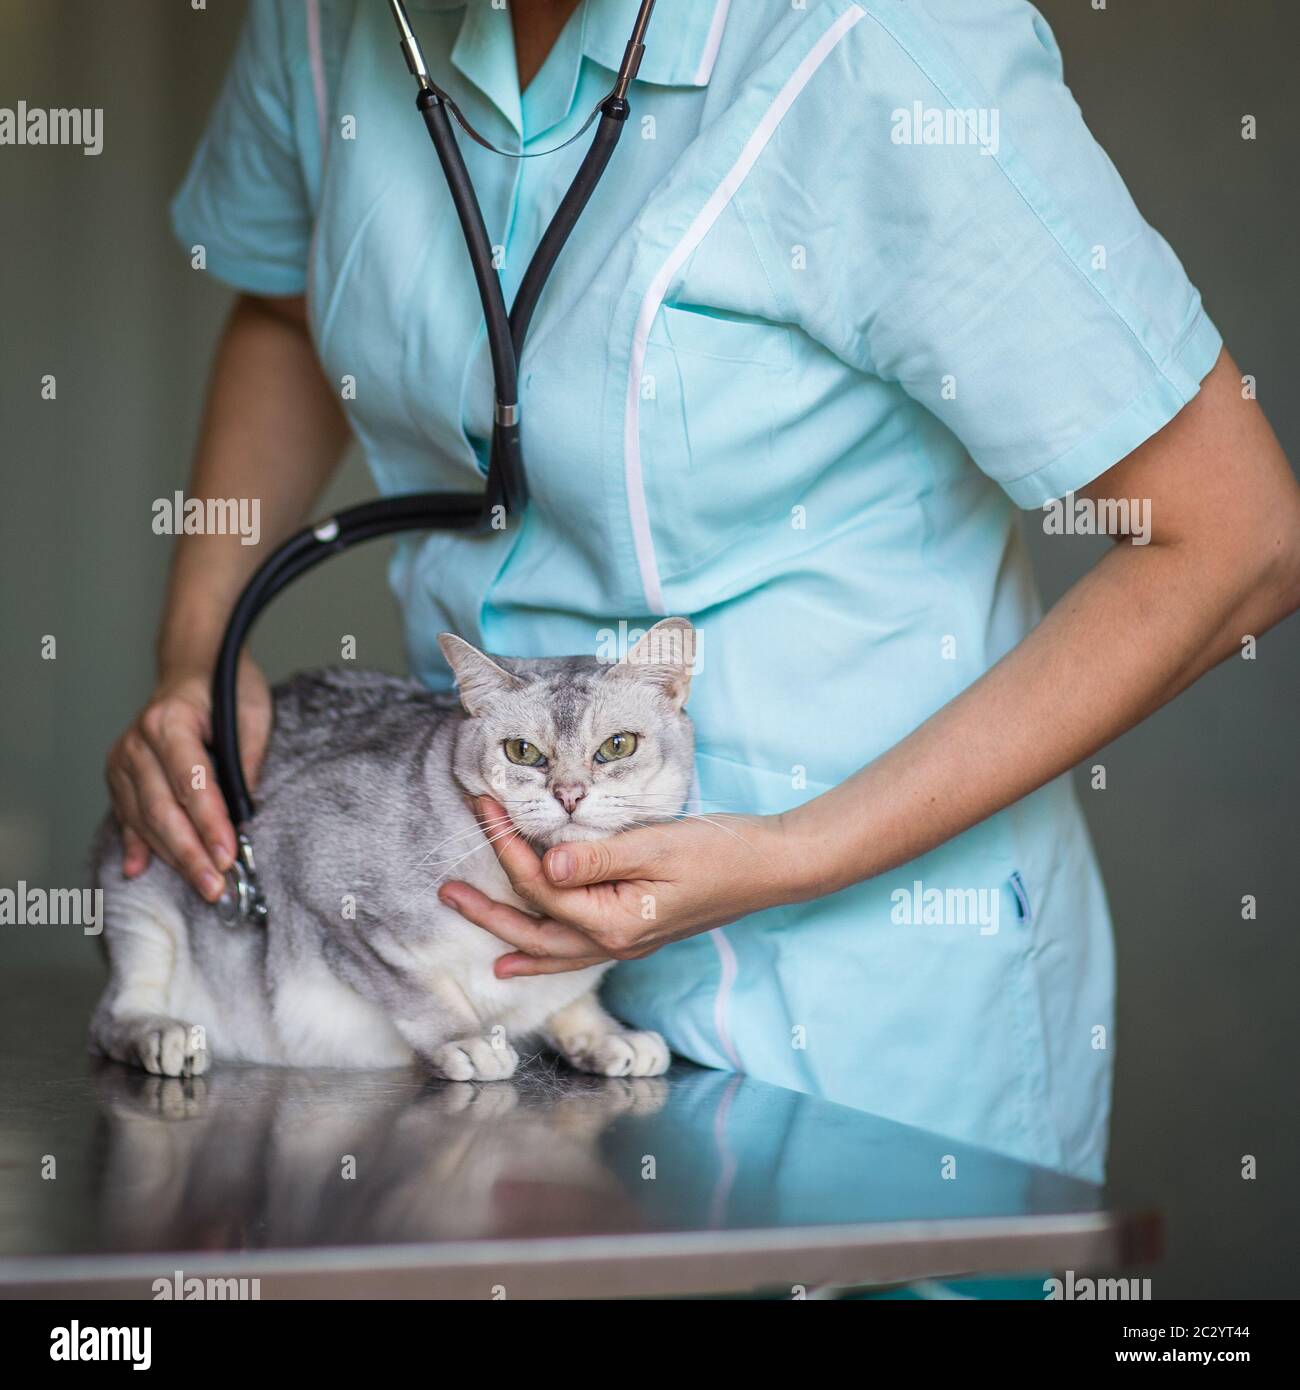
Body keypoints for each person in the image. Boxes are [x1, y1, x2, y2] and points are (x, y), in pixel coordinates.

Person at [107, 0, 1300, 1181]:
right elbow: (282, 305)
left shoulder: (882, 41)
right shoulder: (322, 24)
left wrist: (792, 852)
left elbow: (1236, 536)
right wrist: (197, 653)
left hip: (850, 1026)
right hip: (479, 980)